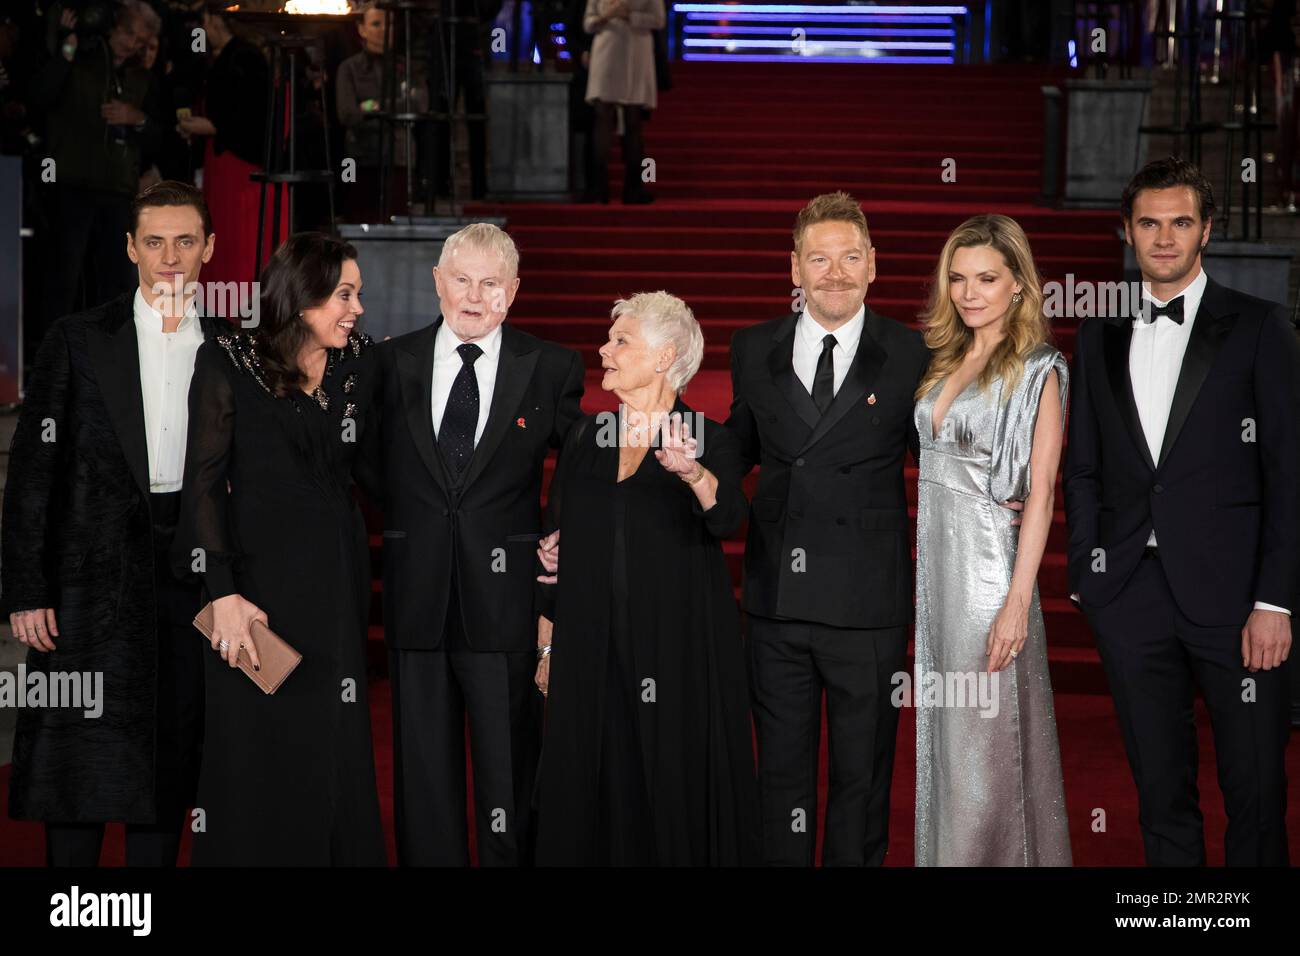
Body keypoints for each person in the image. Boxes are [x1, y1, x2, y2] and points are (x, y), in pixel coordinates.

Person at [1064, 157, 1298, 866]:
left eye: (1181, 222)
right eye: (1149, 223)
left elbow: (1289, 471)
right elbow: (1085, 465)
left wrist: (1275, 602)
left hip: (1237, 601)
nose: (1164, 238)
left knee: (1255, 788)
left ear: (1206, 231)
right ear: (1127, 231)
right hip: (1130, 592)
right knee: (1159, 791)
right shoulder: (1097, 333)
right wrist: (1088, 572)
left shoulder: (1261, 326)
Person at [3, 181, 223, 866]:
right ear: (130, 248)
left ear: (209, 249)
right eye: (154, 241)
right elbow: (34, 473)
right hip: (85, 579)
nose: (169, 258)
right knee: (76, 757)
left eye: (185, 241)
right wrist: (26, 589)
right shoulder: (76, 339)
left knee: (170, 752)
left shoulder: (236, 347)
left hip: (188, 573)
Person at [355, 223, 584, 866]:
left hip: (505, 602)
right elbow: (368, 460)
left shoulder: (550, 367)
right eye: (461, 279)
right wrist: (408, 517)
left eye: (490, 283)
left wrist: (561, 532)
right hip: (415, 593)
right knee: (423, 780)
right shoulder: (388, 362)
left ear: (512, 293)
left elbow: (579, 463)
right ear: (437, 282)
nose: (474, 296)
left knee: (508, 774)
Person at [725, 191, 930, 866]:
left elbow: (938, 463)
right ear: (794, 267)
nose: (834, 273)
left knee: (861, 781)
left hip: (867, 605)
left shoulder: (910, 352)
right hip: (776, 601)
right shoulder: (754, 347)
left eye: (848, 258)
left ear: (873, 264)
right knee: (781, 781)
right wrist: (666, 454)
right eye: (819, 258)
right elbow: (735, 451)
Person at [171, 232, 386, 865]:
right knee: (252, 739)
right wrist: (225, 594)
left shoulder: (361, 362)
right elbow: (203, 485)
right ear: (301, 294)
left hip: (338, 574)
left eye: (359, 294)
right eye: (345, 293)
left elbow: (378, 472)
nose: (357, 308)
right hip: (253, 582)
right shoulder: (228, 358)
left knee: (334, 736)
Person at [531, 292, 760, 865]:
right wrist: (547, 642)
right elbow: (552, 547)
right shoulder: (585, 439)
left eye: (621, 341)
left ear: (665, 357)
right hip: (590, 649)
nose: (604, 350)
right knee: (595, 781)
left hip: (678, 652)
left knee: (670, 781)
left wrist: (693, 473)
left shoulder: (708, 438)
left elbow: (730, 517)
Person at [911, 214, 1071, 866]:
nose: (969, 292)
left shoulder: (1039, 370)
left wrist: (1014, 603)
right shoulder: (948, 356)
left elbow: (1041, 493)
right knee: (949, 746)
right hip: (938, 578)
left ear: (1017, 286)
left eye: (986, 278)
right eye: (957, 277)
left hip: (986, 580)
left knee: (986, 750)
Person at [31, 0, 161, 342]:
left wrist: (138, 119)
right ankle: (54, 358)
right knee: (63, 277)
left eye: (140, 38)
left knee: (116, 280)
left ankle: (108, 361)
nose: (131, 42)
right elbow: (40, 97)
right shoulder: (81, 57)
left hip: (118, 189)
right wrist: (67, 48)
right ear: (112, 27)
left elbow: (163, 135)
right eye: (127, 32)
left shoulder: (142, 76)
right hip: (72, 181)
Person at [178, 2, 282, 285]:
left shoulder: (244, 57)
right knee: (222, 234)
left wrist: (210, 126)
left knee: (237, 239)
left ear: (213, 20)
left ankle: (236, 310)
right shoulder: (226, 56)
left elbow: (252, 115)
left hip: (241, 164)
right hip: (223, 162)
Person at [336, 1, 426, 221]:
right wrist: (389, 105)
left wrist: (371, 105)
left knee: (397, 216)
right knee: (357, 216)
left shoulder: (407, 67)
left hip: (399, 156)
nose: (385, 30)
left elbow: (419, 104)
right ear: (361, 29)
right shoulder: (349, 68)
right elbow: (347, 113)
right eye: (376, 24)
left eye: (390, 24)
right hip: (359, 158)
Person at [581, 0, 663, 204]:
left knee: (633, 123)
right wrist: (607, 16)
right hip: (605, 53)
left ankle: (634, 189)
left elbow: (658, 20)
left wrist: (629, 15)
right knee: (602, 120)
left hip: (636, 54)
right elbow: (588, 23)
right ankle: (599, 188)